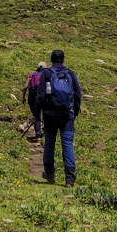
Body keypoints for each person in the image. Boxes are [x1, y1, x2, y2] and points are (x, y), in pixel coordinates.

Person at [35, 49, 82, 187]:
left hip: (49, 115)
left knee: (49, 142)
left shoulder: (46, 73)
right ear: (63, 59)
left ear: (51, 60)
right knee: (67, 143)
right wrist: (75, 112)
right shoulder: (70, 73)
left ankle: (49, 173)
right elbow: (78, 94)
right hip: (67, 115)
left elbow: (40, 96)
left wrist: (37, 115)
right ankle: (69, 179)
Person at [21, 62, 47, 139]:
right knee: (45, 114)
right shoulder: (45, 75)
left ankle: (38, 132)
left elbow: (25, 87)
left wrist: (23, 97)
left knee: (36, 115)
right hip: (42, 97)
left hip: (31, 97)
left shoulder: (32, 75)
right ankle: (45, 131)